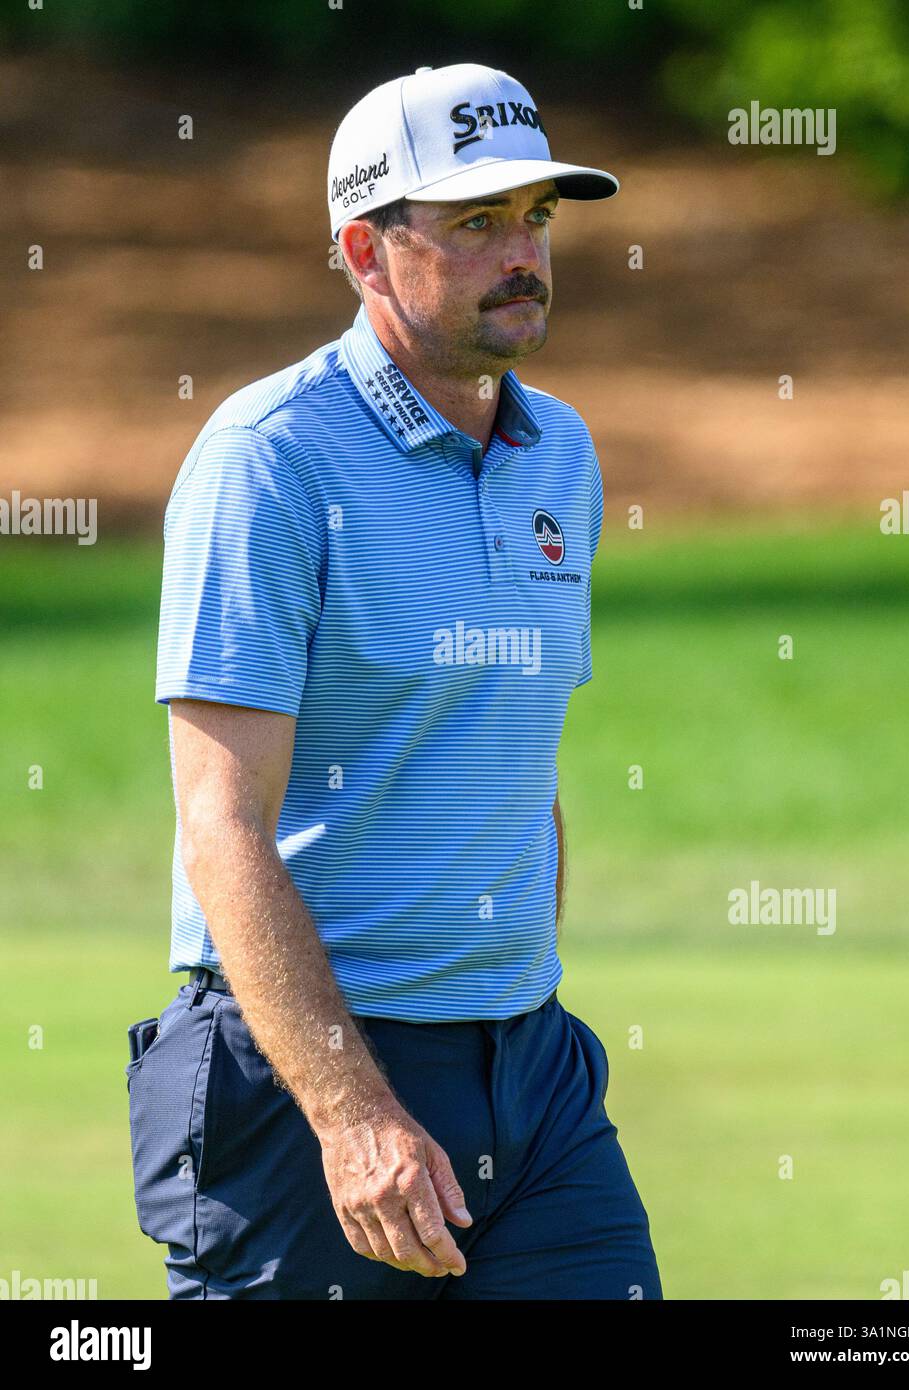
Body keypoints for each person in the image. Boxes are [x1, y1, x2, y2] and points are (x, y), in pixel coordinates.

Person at [127, 61, 664, 1300]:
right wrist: (352, 1112)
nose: (522, 251)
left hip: (531, 1075)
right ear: (367, 250)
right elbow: (219, 829)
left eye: (536, 217)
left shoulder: (562, 454)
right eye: (476, 223)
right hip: (301, 1082)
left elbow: (517, 757)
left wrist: (519, 998)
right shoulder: (268, 461)